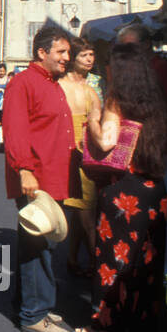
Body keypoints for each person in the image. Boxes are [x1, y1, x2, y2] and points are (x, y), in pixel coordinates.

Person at [74, 44, 167, 332]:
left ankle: (106, 324)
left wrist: (92, 118)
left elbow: (106, 140)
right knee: (147, 261)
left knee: (113, 259)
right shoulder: (156, 102)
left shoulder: (117, 100)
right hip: (155, 190)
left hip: (124, 191)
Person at [2, 26, 75, 332]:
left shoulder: (53, 83)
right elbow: (16, 130)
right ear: (41, 53)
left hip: (52, 175)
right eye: (61, 52)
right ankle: (34, 313)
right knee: (37, 246)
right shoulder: (24, 83)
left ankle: (34, 306)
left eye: (68, 53)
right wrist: (25, 169)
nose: (66, 58)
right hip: (36, 178)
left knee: (39, 245)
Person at [116, 23, 167, 269]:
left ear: (145, 45)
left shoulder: (160, 69)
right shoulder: (126, 72)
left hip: (158, 152)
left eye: (129, 47)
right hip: (134, 156)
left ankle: (166, 271)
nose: (124, 52)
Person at [60, 37, 103, 279]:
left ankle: (88, 263)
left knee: (85, 209)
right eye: (84, 55)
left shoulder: (95, 84)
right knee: (78, 210)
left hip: (87, 149)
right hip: (65, 148)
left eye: (91, 55)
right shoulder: (60, 84)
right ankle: (84, 261)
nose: (89, 59)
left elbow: (101, 118)